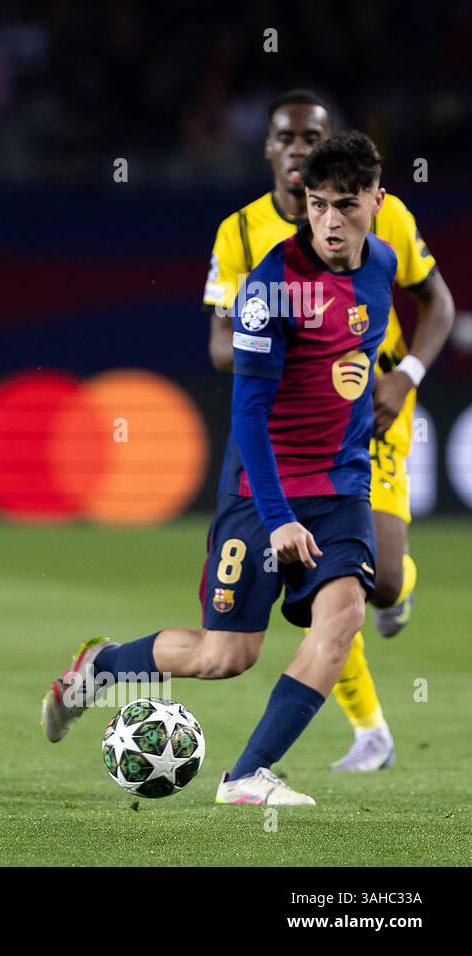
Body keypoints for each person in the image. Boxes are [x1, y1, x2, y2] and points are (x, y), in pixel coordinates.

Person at [44, 131, 395, 806]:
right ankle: (103, 665)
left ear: (377, 201)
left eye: (345, 205)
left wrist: (399, 377)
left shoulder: (381, 263)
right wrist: (279, 519)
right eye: (316, 204)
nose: (328, 220)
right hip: (261, 489)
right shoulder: (269, 289)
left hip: (343, 486)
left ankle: (245, 777)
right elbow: (248, 417)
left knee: (344, 616)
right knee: (225, 656)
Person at [202, 90, 454, 771]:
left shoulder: (385, 215)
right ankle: (369, 730)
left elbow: (439, 302)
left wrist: (407, 380)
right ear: (269, 149)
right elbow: (221, 346)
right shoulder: (244, 236)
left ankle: (398, 592)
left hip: (373, 410)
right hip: (290, 425)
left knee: (384, 581)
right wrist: (279, 342)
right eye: (286, 137)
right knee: (331, 589)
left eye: (311, 135)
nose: (298, 149)